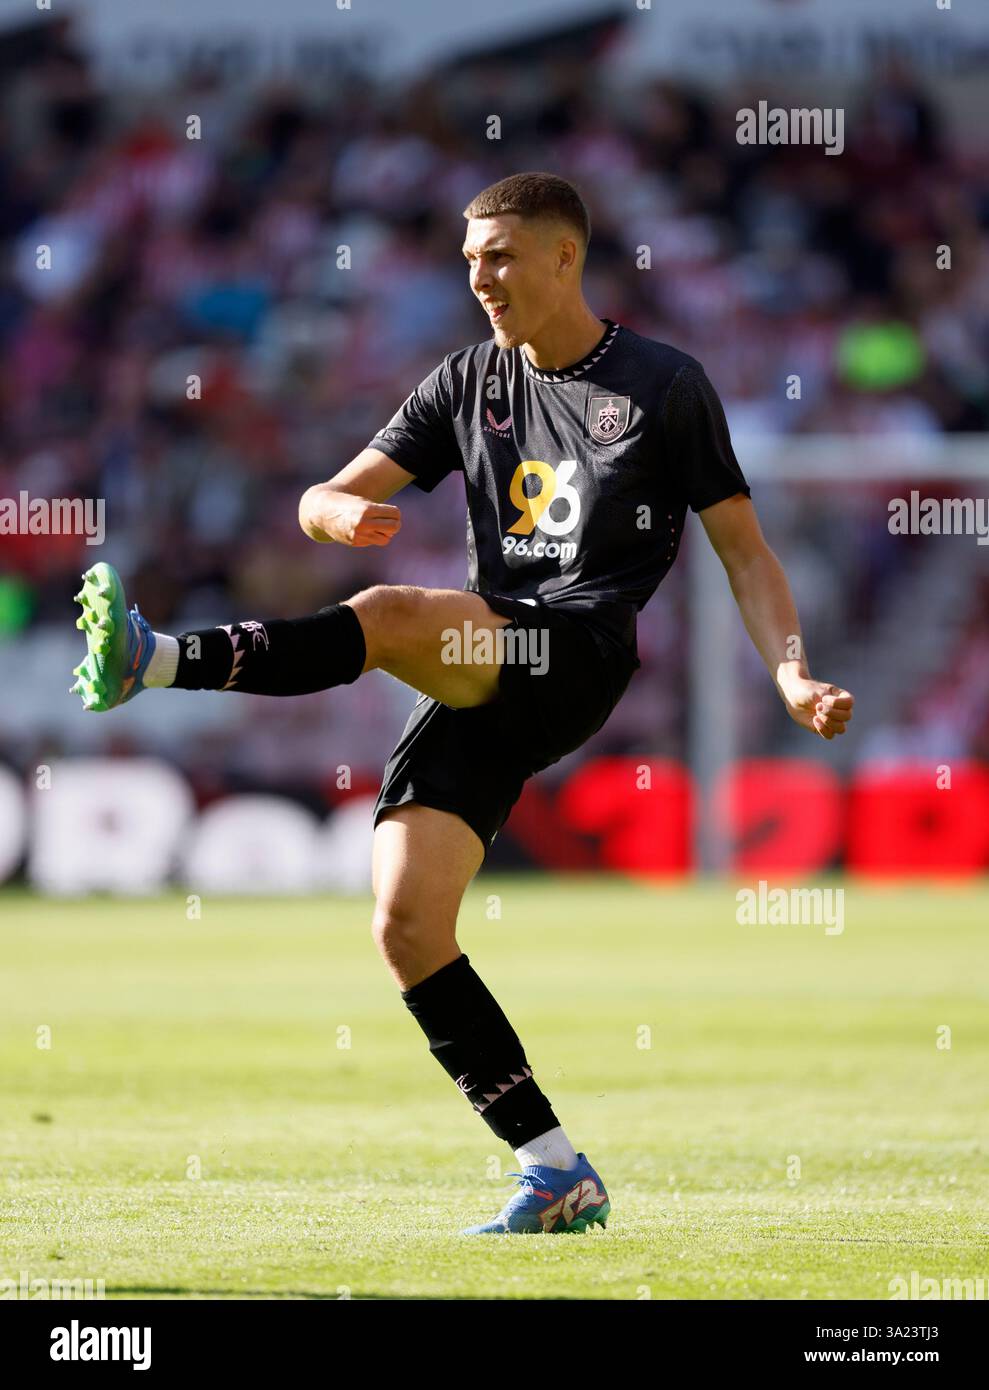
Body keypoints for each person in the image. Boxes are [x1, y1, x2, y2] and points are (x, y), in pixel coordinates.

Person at [71, 172, 854, 1235]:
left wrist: (790, 671)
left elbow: (745, 557)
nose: (478, 277)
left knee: (391, 615)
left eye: (499, 256)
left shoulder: (664, 385)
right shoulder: (464, 382)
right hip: (487, 660)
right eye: (469, 259)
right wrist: (333, 512)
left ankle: (153, 660)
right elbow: (324, 493)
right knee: (404, 924)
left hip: (574, 646)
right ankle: (553, 1169)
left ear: (563, 258)